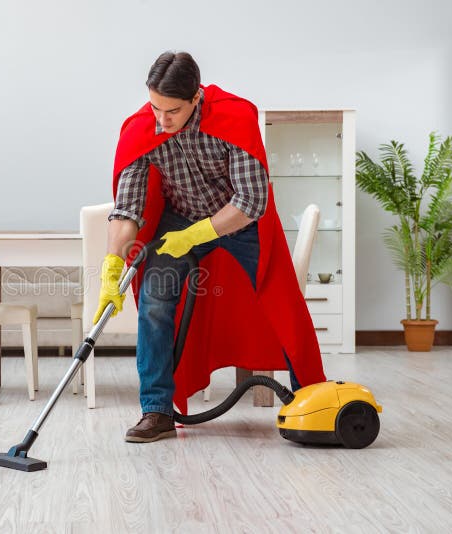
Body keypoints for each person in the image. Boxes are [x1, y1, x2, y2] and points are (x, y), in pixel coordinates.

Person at [95, 51, 326, 443]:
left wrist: (196, 236)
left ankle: (312, 401)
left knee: (282, 301)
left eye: (171, 111)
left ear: (196, 99)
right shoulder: (143, 130)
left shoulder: (232, 120)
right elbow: (128, 208)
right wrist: (112, 267)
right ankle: (157, 411)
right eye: (154, 107)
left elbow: (251, 202)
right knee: (154, 300)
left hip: (236, 218)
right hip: (179, 218)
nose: (161, 120)